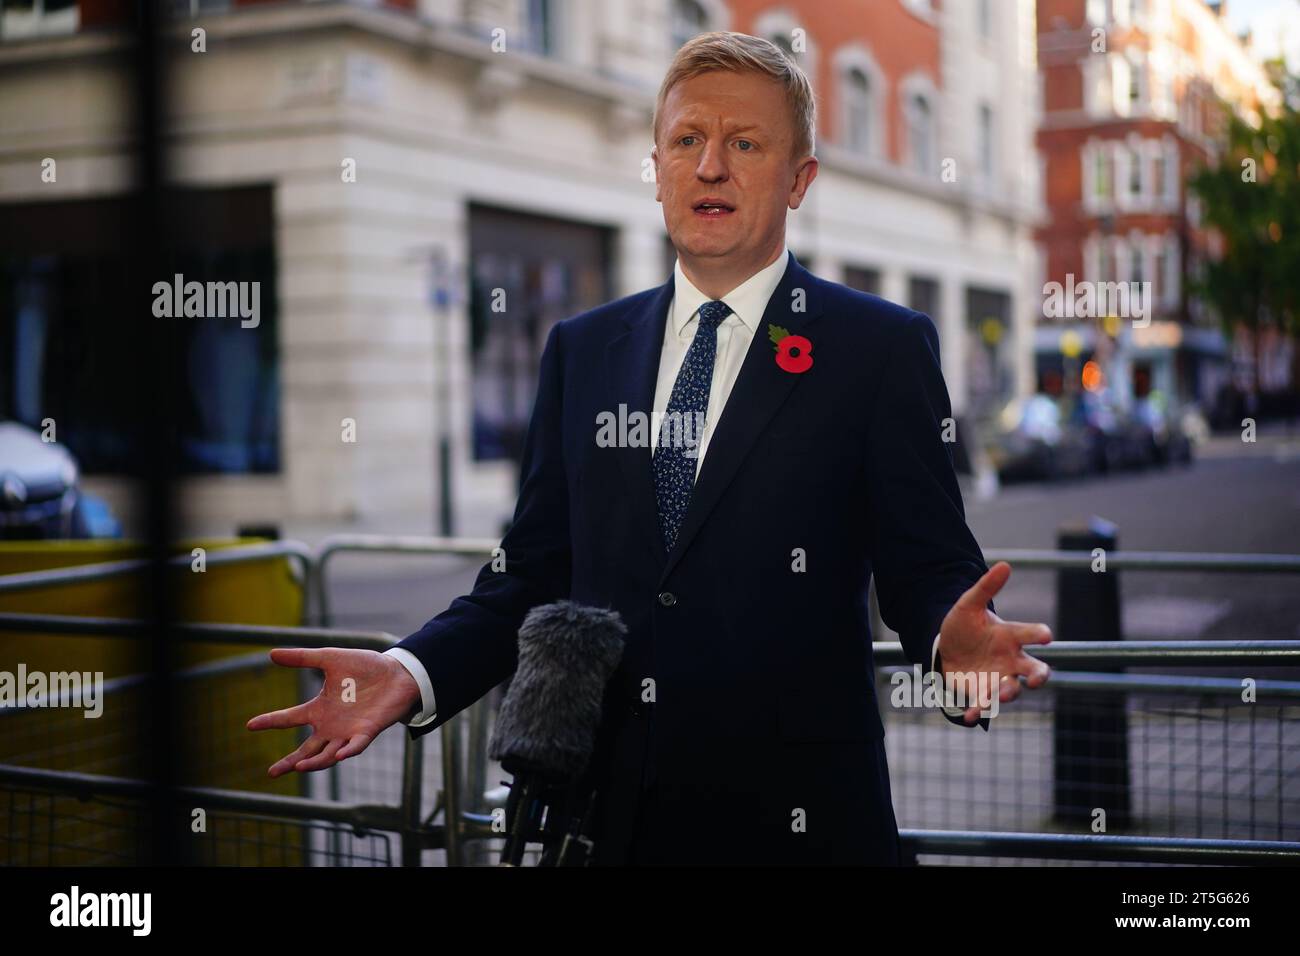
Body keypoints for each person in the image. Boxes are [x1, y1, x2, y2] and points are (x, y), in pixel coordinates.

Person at [248, 31, 1052, 865]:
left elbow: (928, 576)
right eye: (686, 141)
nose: (710, 166)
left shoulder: (877, 348)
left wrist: (957, 656)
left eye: (744, 143)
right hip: (611, 828)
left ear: (799, 178)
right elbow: (530, 573)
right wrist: (411, 672)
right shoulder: (581, 349)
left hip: (804, 828)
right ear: (658, 166)